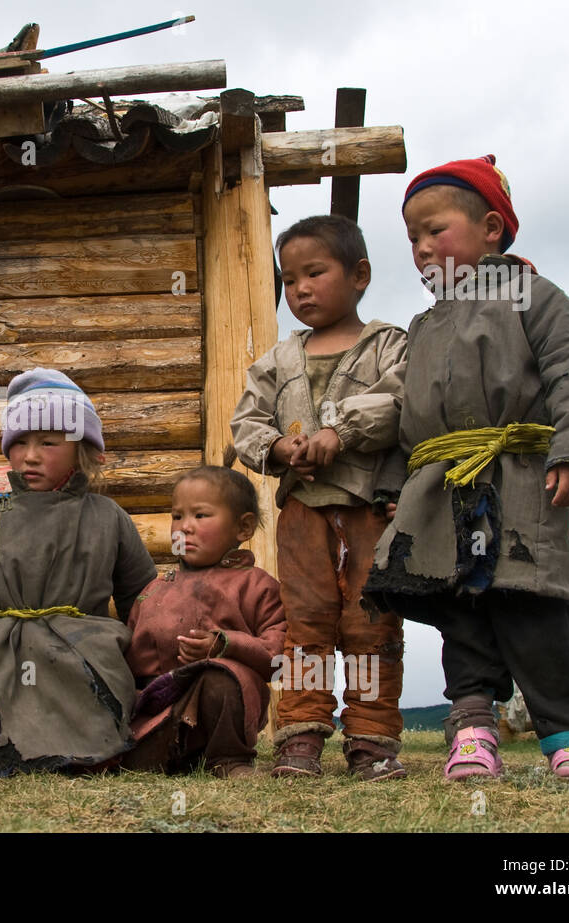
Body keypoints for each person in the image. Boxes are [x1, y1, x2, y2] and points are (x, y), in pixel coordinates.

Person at [363, 155, 569, 783]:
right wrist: (396, 487)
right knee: (461, 607)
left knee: (531, 600)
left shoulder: (538, 297)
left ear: (492, 228)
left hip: (522, 476)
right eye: (412, 238)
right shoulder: (424, 325)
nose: (421, 248)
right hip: (440, 486)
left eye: (435, 230)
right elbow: (408, 414)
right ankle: (473, 729)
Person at [0, 368, 157, 776]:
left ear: (83, 448)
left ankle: (80, 755)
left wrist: (154, 674)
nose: (30, 455)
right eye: (19, 443)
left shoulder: (108, 518)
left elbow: (144, 603)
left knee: (90, 718)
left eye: (48, 442)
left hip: (84, 651)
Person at [231, 214, 409, 780]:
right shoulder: (277, 361)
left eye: (315, 272)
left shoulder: (389, 345)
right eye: (288, 279)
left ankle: (372, 738)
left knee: (371, 622)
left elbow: (403, 399)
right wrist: (281, 447)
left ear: (360, 275)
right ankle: (301, 735)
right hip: (304, 514)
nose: (299, 289)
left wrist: (342, 432)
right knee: (306, 624)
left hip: (369, 511)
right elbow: (246, 423)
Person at [122, 463, 286, 778]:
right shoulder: (155, 590)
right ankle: (152, 757)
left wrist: (226, 645)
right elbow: (130, 658)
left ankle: (228, 760)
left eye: (200, 516)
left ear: (243, 528)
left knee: (222, 678)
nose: (185, 527)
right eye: (177, 516)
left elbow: (279, 657)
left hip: (220, 712)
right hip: (161, 717)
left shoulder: (257, 586)